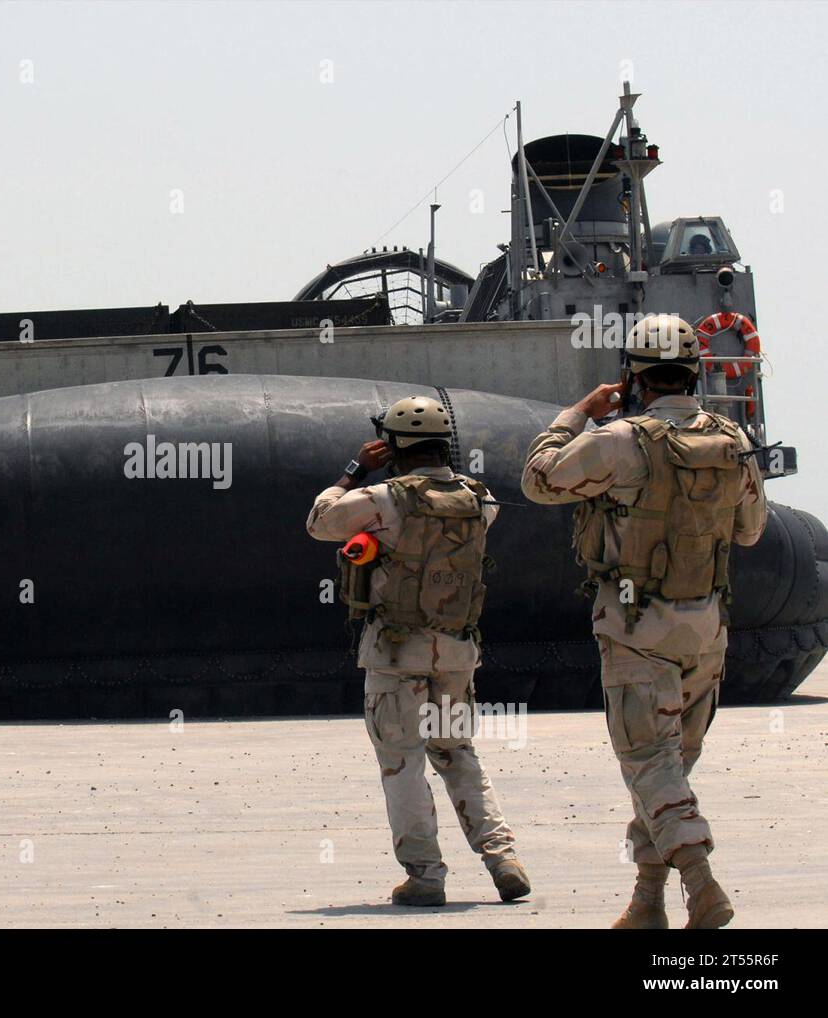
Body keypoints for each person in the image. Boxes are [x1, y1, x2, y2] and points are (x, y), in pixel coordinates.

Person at [521, 314, 767, 929]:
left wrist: (577, 413)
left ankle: (701, 882)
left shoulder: (618, 441)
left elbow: (538, 480)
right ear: (694, 373)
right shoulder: (732, 440)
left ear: (634, 378)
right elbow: (750, 531)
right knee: (666, 767)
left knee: (648, 762)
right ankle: (647, 900)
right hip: (706, 626)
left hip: (636, 625)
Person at [307, 395, 529, 908]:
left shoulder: (381, 498)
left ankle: (426, 876)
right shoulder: (481, 499)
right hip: (456, 649)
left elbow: (319, 521)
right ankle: (502, 858)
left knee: (403, 763)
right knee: (457, 753)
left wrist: (354, 470)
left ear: (392, 446)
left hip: (395, 652)